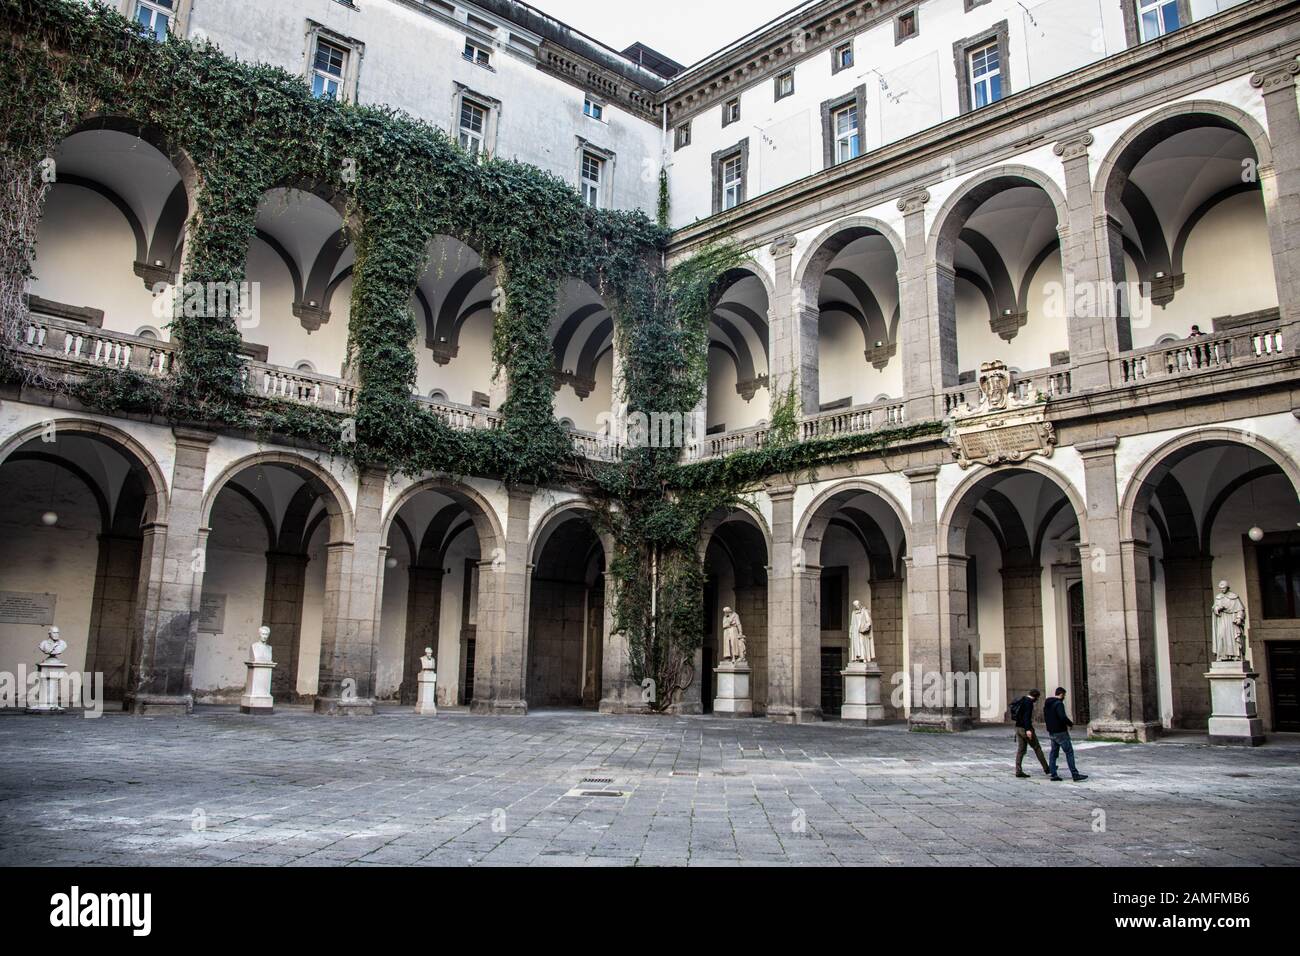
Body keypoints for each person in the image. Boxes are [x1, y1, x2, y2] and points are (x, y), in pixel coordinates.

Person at [1044, 687, 1088, 782]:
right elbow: (1062, 717)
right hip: (1061, 732)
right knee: (1069, 752)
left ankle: (1053, 774)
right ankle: (1075, 774)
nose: (1064, 697)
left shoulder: (1047, 704)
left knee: (1053, 753)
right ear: (1061, 694)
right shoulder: (1059, 704)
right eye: (1064, 695)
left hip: (1052, 732)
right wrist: (1070, 724)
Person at [1011, 689, 1049, 778]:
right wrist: (1028, 730)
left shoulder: (1022, 699)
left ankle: (1018, 770)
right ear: (1036, 697)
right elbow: (1027, 717)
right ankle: (1046, 768)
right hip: (1025, 729)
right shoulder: (1029, 703)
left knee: (1021, 750)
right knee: (1037, 748)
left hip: (1018, 728)